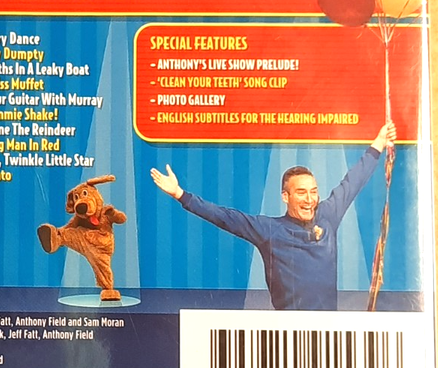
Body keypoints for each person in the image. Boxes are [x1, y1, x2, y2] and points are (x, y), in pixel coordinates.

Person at [150, 124, 396, 310]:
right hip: (285, 333)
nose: (310, 199)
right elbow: (224, 217)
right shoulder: (268, 229)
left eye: (313, 191)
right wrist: (181, 194)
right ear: (285, 197)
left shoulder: (328, 215)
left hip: (327, 332)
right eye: (301, 192)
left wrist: (378, 143)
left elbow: (352, 182)